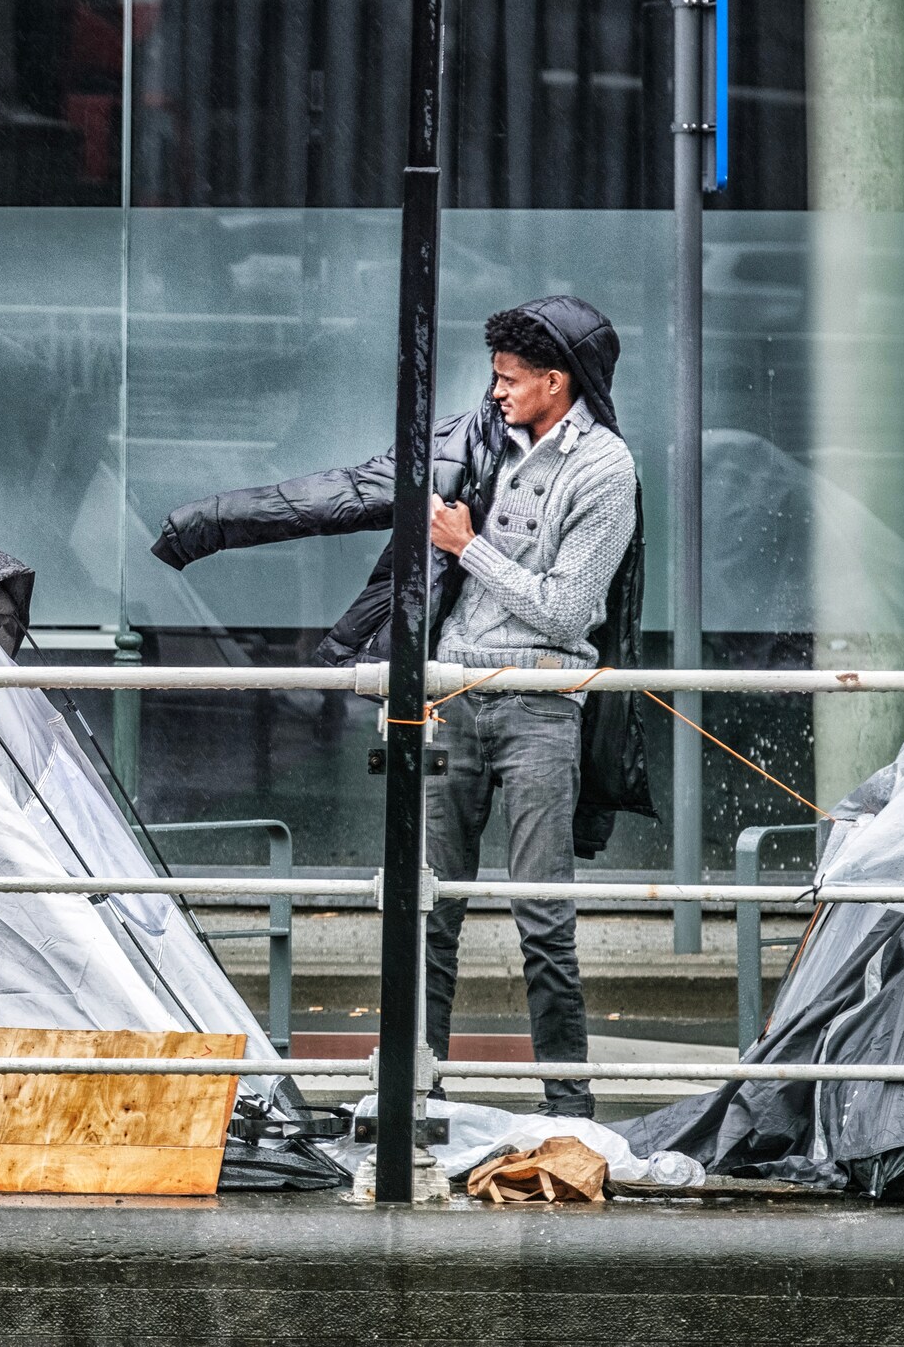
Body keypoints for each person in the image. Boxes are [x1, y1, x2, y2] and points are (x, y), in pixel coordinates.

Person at [150, 295, 651, 1118]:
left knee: (543, 918)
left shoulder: (605, 470)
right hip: (450, 695)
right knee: (426, 906)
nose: (495, 393)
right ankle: (413, 1090)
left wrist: (467, 547)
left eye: (510, 379)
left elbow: (566, 610)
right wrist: (201, 525)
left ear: (556, 383)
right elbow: (337, 493)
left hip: (539, 706)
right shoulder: (470, 440)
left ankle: (571, 1110)